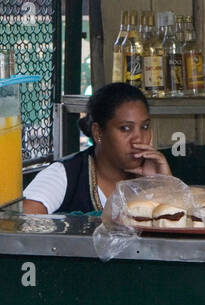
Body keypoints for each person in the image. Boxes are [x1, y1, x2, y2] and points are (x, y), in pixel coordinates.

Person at [22, 82, 171, 214]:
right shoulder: (65, 175)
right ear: (98, 132)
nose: (138, 138)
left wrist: (163, 184)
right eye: (125, 128)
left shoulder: (151, 178)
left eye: (145, 127)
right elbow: (22, 226)